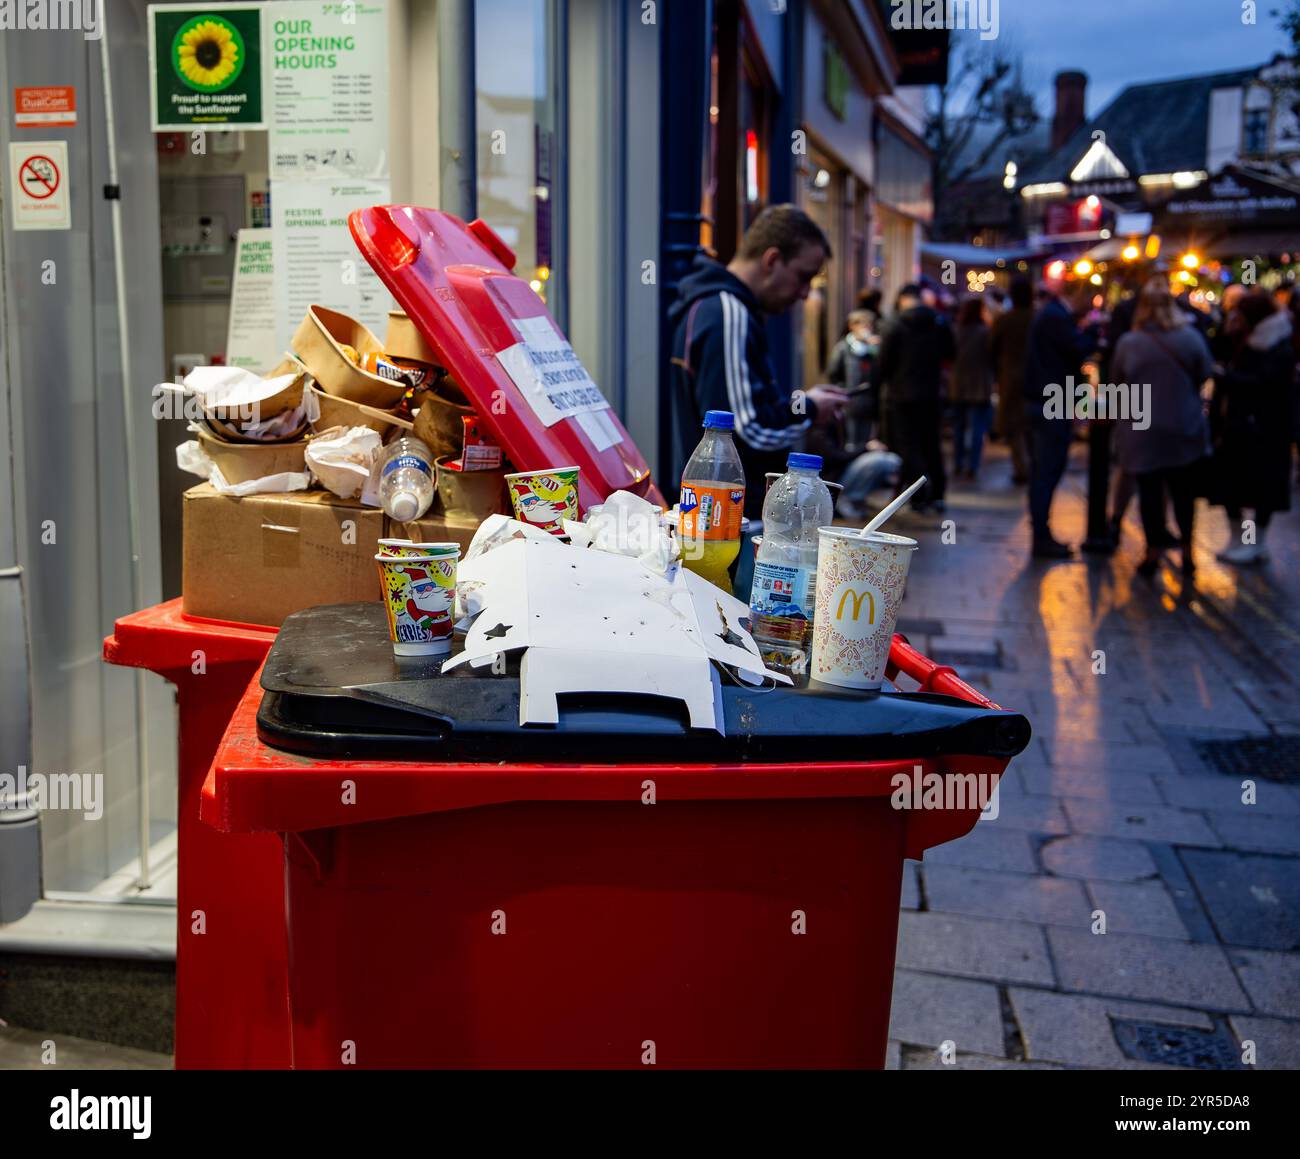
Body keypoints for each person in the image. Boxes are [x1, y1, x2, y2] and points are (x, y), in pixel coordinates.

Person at [668, 205, 848, 517]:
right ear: (772, 260)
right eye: (803, 277)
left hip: (715, 514)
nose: (805, 293)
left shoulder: (721, 308)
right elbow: (745, 431)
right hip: (728, 518)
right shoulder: (728, 312)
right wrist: (811, 408)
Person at [1109, 278, 1214, 577]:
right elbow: (1204, 373)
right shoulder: (1190, 338)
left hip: (1143, 430)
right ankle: (1188, 551)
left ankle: (1152, 552)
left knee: (1150, 494)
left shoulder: (1130, 343)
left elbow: (1118, 382)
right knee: (1184, 494)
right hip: (1184, 426)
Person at [1209, 290, 1295, 564]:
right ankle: (1241, 541)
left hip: (1265, 428)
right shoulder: (1243, 338)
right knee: (1235, 487)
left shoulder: (1277, 343)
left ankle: (1253, 544)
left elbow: (1266, 383)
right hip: (1240, 426)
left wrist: (1227, 377)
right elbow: (1217, 352)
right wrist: (1226, 331)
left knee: (1259, 490)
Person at [1023, 275, 1095, 558]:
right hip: (1050, 405)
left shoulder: (1052, 315)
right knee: (1046, 470)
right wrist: (1092, 333)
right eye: (1091, 298)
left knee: (1045, 470)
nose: (1092, 305)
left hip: (1046, 402)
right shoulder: (1055, 317)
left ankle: (1042, 533)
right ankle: (1041, 536)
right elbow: (1079, 349)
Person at [871, 283, 956, 512]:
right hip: (931, 393)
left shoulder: (896, 324)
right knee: (931, 444)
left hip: (901, 395)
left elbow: (884, 362)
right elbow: (951, 352)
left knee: (908, 446)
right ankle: (937, 494)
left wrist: (877, 386)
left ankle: (919, 495)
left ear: (902, 299)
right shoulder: (938, 321)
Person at [990, 277, 1033, 484]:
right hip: (1034, 379)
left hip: (1011, 376)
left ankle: (1022, 466)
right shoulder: (1037, 318)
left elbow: (992, 348)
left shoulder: (1005, 320)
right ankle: (1028, 464)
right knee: (1028, 424)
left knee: (1015, 426)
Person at [949, 297, 995, 482]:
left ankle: (958, 463)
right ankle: (973, 466)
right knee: (977, 428)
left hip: (959, 383)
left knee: (959, 428)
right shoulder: (985, 332)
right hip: (979, 384)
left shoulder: (957, 331)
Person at [826, 309, 879, 447]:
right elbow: (833, 374)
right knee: (850, 442)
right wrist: (843, 393)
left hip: (869, 403)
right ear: (852, 326)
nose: (867, 329)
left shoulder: (873, 349)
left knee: (866, 442)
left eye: (869, 325)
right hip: (849, 403)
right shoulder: (843, 348)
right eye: (863, 325)